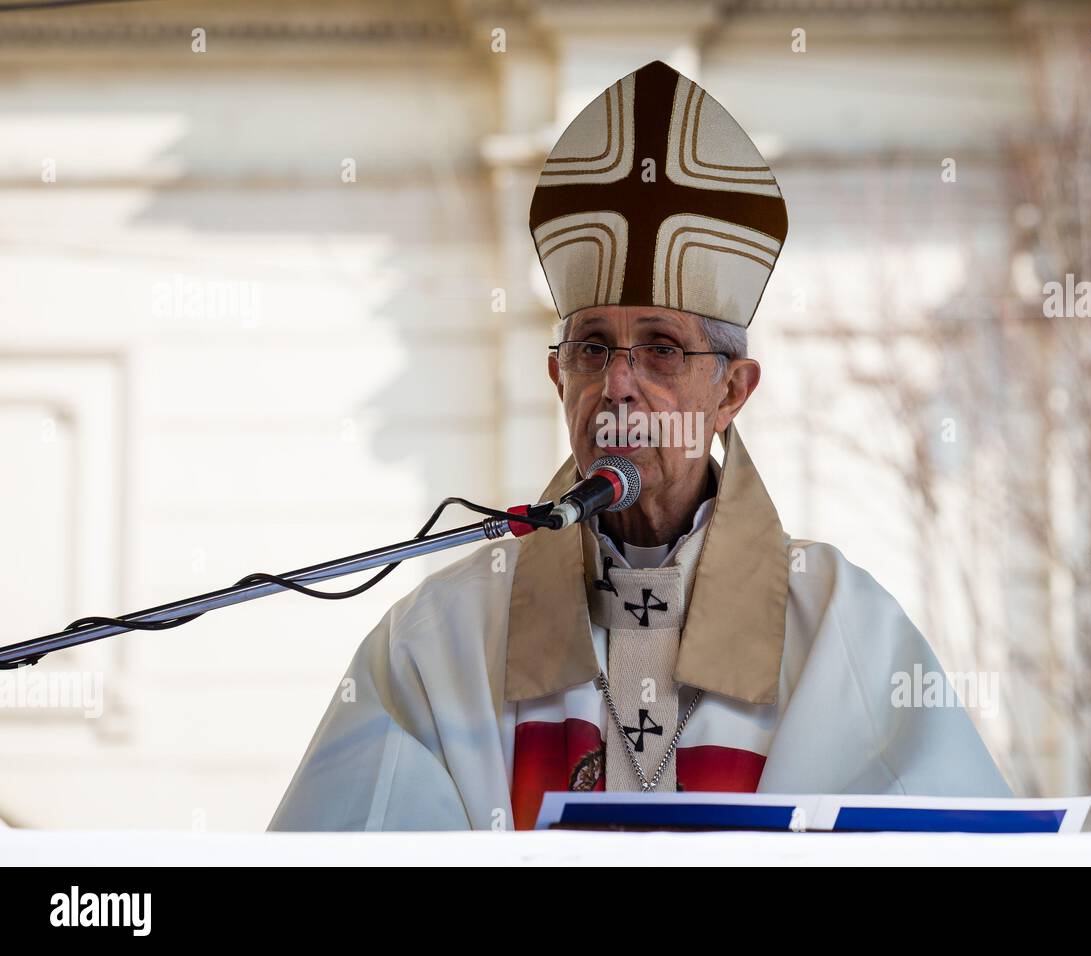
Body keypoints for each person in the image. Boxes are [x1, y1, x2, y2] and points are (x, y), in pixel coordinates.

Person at [268, 59, 1010, 832]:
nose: (617, 384)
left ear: (731, 393)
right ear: (558, 379)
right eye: (592, 348)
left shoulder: (836, 630)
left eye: (660, 348)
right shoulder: (444, 641)